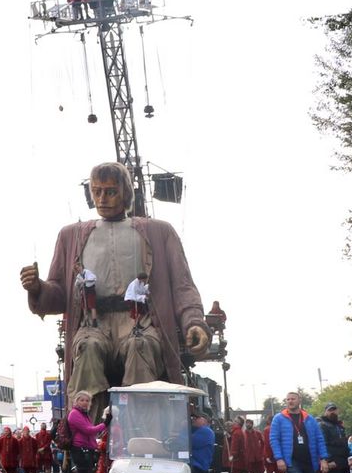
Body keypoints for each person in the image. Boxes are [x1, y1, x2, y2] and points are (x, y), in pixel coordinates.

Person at [20, 161, 210, 418]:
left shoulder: (160, 232)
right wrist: (37, 288)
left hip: (138, 320)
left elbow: (182, 285)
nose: (102, 198)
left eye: (110, 191)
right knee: (87, 348)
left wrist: (193, 322)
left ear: (125, 192)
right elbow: (59, 294)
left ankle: (142, 427)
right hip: (92, 321)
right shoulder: (71, 236)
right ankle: (88, 431)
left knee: (140, 346)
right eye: (97, 191)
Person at [64, 390, 106, 473]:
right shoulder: (75, 414)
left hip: (85, 450)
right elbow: (89, 430)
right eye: (82, 400)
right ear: (76, 401)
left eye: (87, 401)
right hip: (81, 451)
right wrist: (105, 424)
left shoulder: (82, 414)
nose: (85, 402)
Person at [190, 409, 215, 473]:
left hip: (198, 464)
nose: (194, 420)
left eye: (197, 418)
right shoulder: (197, 431)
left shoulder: (206, 431)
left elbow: (190, 442)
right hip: (193, 462)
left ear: (204, 420)